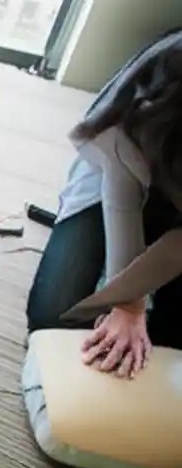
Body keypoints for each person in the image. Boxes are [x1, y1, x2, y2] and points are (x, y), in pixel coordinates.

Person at [26, 29, 182, 379]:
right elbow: (121, 196)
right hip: (115, 174)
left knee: (169, 339)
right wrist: (128, 302)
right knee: (55, 318)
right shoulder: (156, 92)